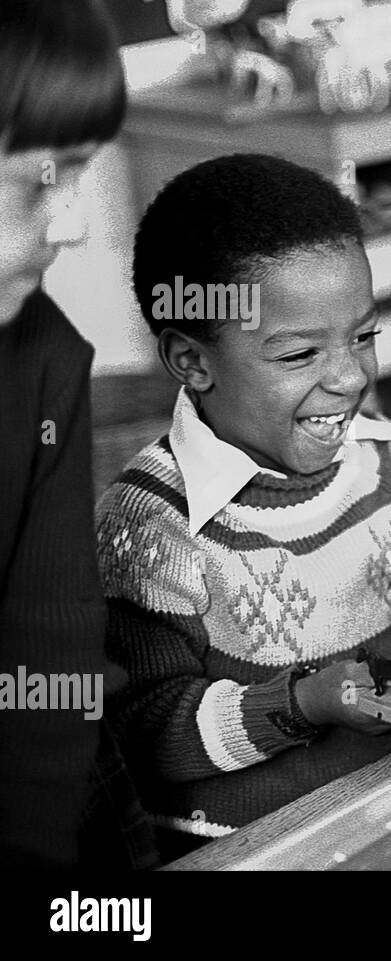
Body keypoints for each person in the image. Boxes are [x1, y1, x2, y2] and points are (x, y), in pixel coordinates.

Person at [98, 153, 391, 856]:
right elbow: (146, 737)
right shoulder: (151, 527)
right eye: (299, 356)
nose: (350, 377)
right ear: (193, 362)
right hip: (251, 848)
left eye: (364, 336)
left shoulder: (387, 460)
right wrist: (301, 703)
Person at [0, 0, 157, 869]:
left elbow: (50, 641)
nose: (74, 225)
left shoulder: (47, 357)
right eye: (38, 181)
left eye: (82, 174)